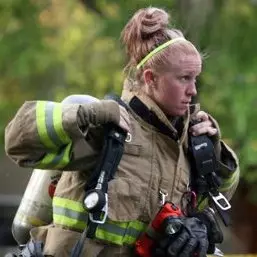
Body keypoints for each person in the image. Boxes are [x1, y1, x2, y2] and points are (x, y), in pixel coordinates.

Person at [5, 6, 239, 257]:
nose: (193, 90)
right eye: (184, 78)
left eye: (196, 78)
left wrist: (212, 156)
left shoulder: (187, 142)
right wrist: (85, 115)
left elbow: (215, 200)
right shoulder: (108, 129)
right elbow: (17, 141)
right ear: (151, 79)